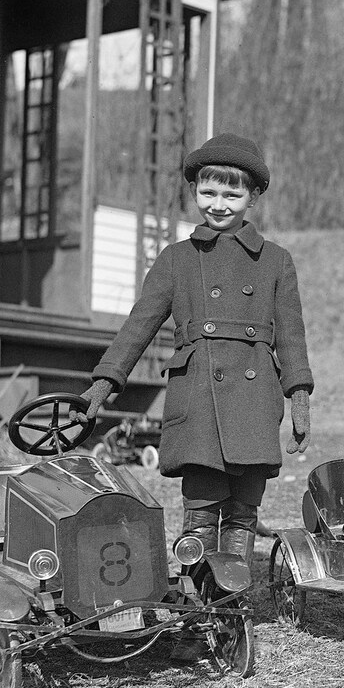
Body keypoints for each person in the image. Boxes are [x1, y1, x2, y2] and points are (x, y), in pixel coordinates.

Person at [77, 132, 314, 581]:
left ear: (254, 196)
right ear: (194, 192)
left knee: (243, 511)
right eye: (208, 192)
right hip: (199, 400)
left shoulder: (276, 262)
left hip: (254, 399)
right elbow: (139, 326)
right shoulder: (176, 260)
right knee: (201, 510)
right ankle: (197, 603)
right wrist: (105, 381)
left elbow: (292, 335)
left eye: (232, 193)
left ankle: (234, 602)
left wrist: (299, 396)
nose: (218, 204)